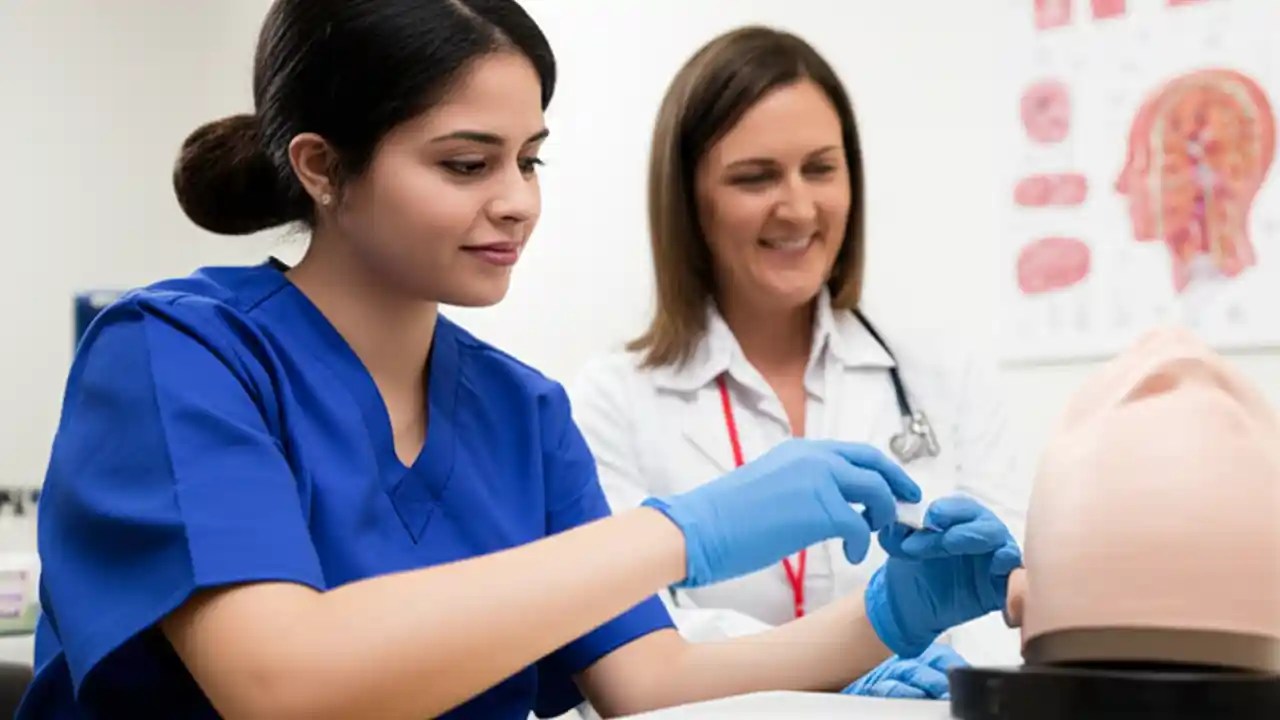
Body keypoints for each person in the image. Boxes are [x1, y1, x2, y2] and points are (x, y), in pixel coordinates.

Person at [18, 3, 1021, 719]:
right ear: (321, 167)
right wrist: (677, 534)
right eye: (466, 164)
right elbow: (280, 683)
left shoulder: (518, 411)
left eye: (528, 159)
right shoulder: (177, 357)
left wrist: (889, 615)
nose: (516, 202)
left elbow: (648, 683)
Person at [570, 25, 1030, 694]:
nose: (797, 207)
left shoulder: (943, 377)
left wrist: (958, 665)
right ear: (689, 200)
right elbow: (630, 645)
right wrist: (834, 676)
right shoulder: (614, 401)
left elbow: (1011, 591)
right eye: (755, 177)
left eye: (820, 169)